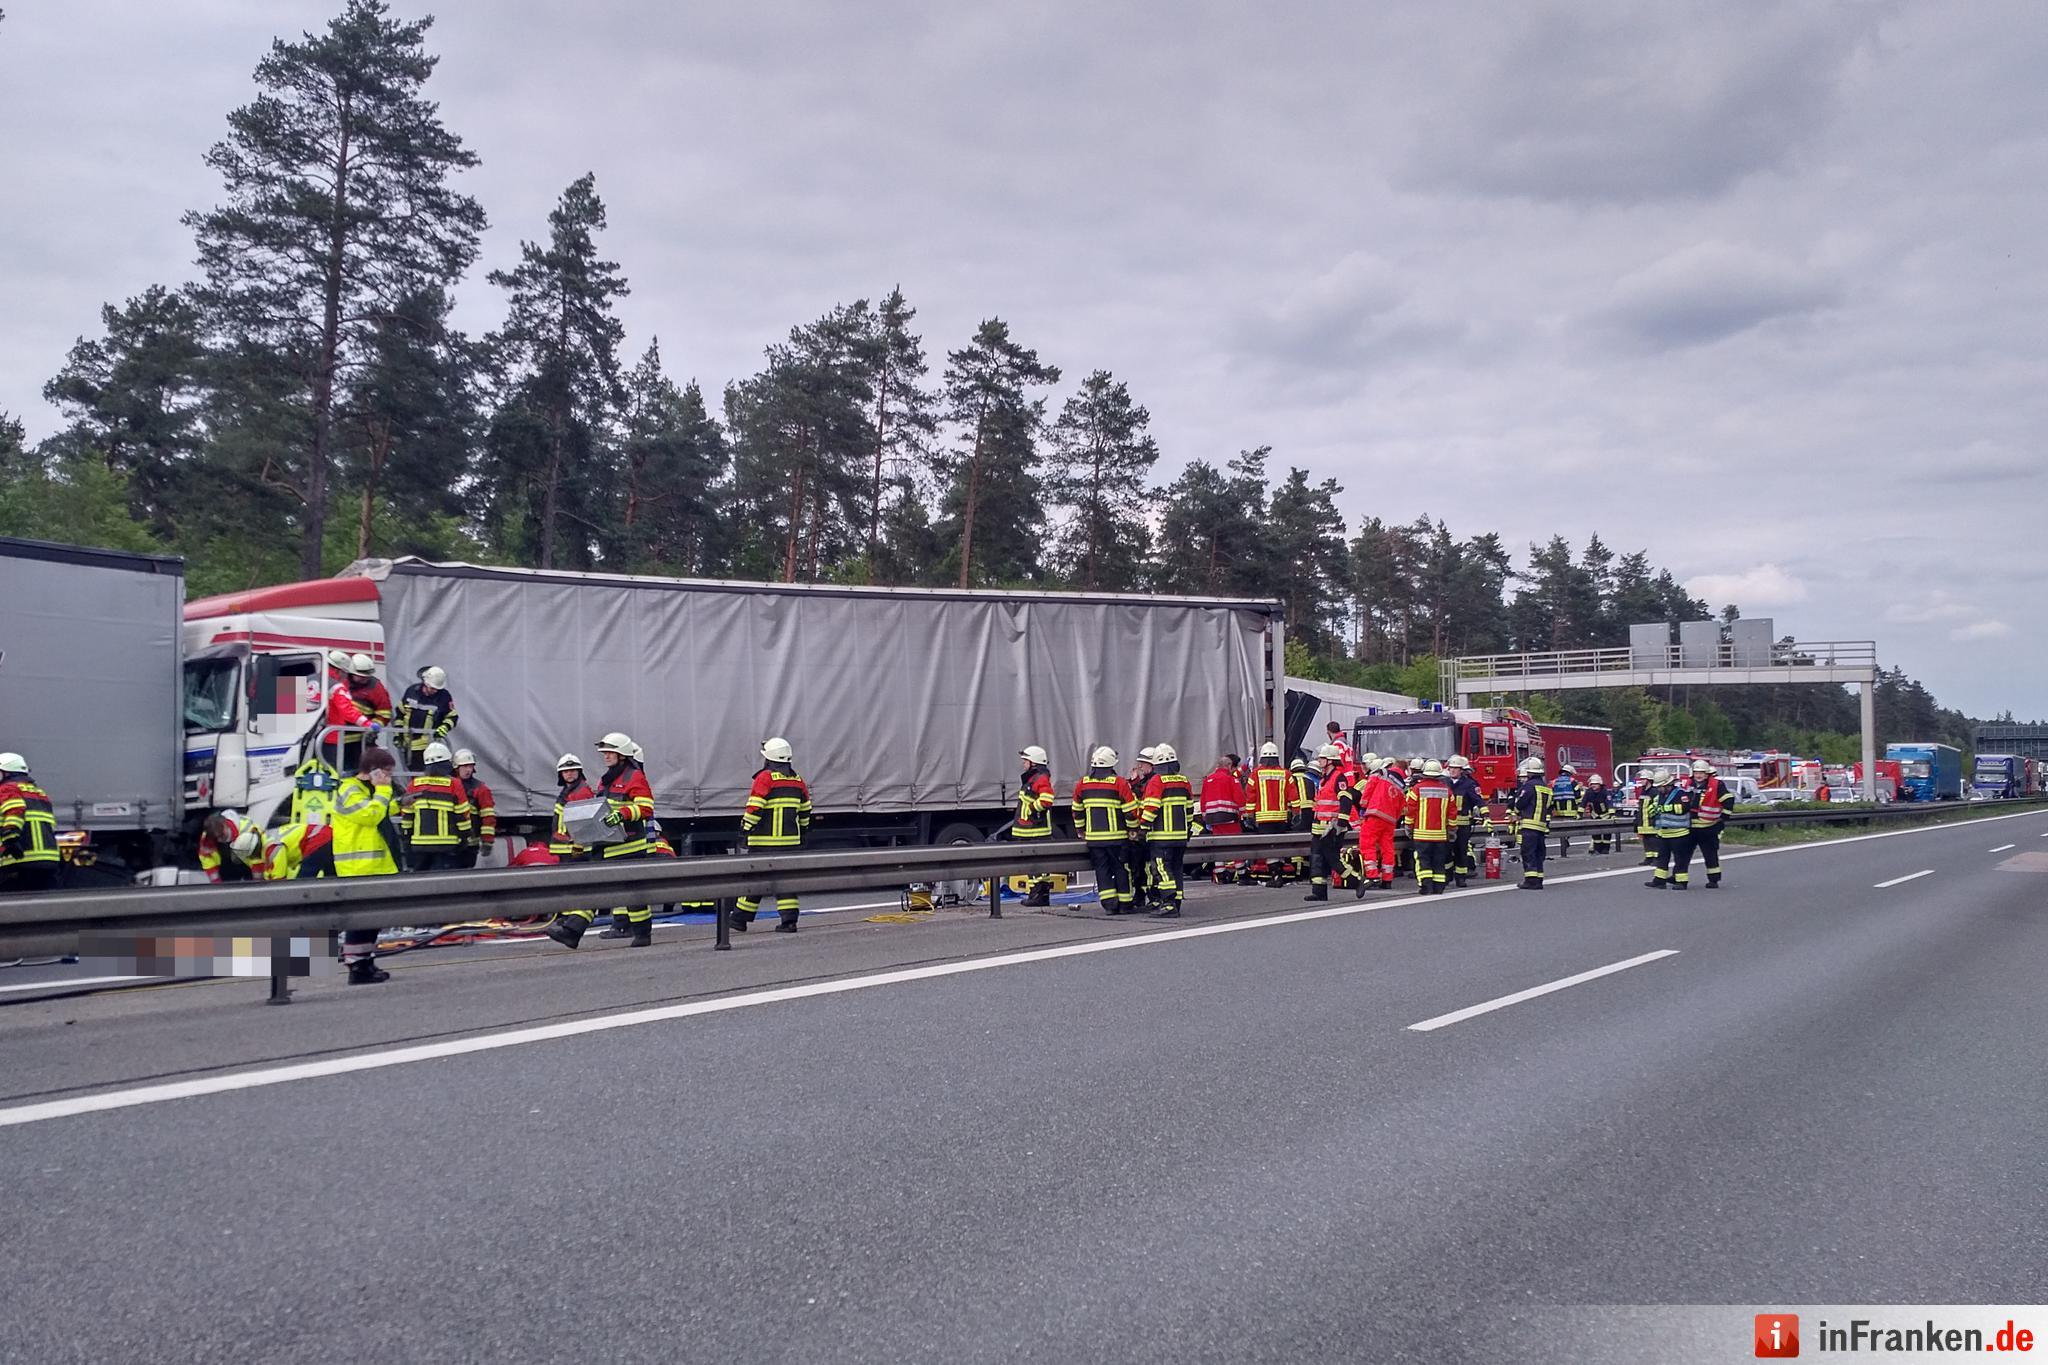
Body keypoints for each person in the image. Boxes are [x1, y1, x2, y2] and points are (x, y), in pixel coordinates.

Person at [547, 733, 656, 947]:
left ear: (622, 755)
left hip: (629, 847)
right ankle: (572, 931)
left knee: (633, 895)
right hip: (606, 846)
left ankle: (643, 934)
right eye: (604, 753)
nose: (605, 756)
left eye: (609, 752)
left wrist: (623, 814)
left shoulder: (634, 777)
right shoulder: (606, 779)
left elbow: (645, 807)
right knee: (597, 889)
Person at [331, 747, 404, 984]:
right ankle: (356, 966)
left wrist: (401, 803)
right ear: (374, 771)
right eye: (387, 773)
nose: (389, 778)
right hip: (357, 866)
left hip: (375, 865)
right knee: (361, 921)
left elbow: (380, 809)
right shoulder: (348, 789)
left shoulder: (365, 789)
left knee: (373, 920)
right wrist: (383, 791)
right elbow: (370, 815)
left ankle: (366, 960)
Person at [731, 736, 814, 934]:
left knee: (754, 880)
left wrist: (745, 828)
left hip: (764, 843)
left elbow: (755, 807)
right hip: (791, 844)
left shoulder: (765, 778)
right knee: (785, 883)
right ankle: (789, 921)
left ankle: (739, 919)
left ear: (768, 758)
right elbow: (806, 811)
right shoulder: (797, 780)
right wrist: (802, 833)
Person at [1074, 746, 1138, 914]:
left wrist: (1081, 830)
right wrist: (1133, 829)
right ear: (1111, 765)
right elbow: (1131, 810)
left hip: (1095, 840)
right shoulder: (1119, 783)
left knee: (1102, 871)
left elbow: (1077, 810)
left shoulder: (1083, 784)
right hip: (1117, 839)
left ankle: (1109, 905)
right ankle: (1125, 904)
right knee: (1121, 869)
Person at [1136, 742, 1194, 917]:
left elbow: (1151, 807)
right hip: (1181, 836)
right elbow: (1189, 809)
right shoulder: (1184, 781)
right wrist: (1188, 829)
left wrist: (1143, 829)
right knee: (1176, 868)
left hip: (1162, 836)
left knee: (1162, 868)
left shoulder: (1156, 781)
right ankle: (1176, 903)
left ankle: (1168, 904)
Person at [399, 740, 473, 872]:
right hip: (446, 846)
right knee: (444, 885)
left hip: (419, 845)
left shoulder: (414, 784)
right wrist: (465, 837)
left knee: (420, 884)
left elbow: (407, 815)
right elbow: (462, 814)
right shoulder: (454, 784)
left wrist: (406, 837)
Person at [0, 752, 61, 894]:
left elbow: (14, 810)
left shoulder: (7, 789)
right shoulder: (39, 792)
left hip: (19, 858)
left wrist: (11, 837)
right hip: (48, 859)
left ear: (5, 773)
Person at [1347, 755, 1405, 893]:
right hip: (1390, 820)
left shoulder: (1380, 774)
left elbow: (1369, 790)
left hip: (1375, 814)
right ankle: (1387, 879)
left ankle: (1372, 876)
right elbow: (1402, 807)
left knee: (1367, 844)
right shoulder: (1401, 784)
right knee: (1387, 847)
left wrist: (1364, 804)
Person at [1011, 744, 1058, 907]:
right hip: (1028, 830)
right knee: (1033, 866)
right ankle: (1037, 895)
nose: (1023, 764)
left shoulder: (1040, 778)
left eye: (1026, 761)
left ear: (1034, 762)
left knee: (1037, 866)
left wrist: (1031, 809)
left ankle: (1038, 895)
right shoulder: (1033, 778)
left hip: (1035, 831)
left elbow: (1047, 799)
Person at [1403, 759, 1459, 895]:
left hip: (1421, 834)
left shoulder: (1416, 789)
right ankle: (1439, 886)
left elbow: (1410, 810)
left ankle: (1426, 886)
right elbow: (1452, 812)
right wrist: (1451, 829)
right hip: (1440, 834)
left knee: (1423, 860)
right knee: (1439, 861)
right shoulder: (1447, 790)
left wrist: (1408, 826)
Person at [1302, 745, 1349, 902]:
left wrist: (1341, 821)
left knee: (1332, 859)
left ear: (1330, 761)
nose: (1319, 761)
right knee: (1316, 859)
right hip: (1319, 826)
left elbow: (1345, 800)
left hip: (1332, 827)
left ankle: (1356, 880)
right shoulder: (1324, 779)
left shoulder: (1338, 777)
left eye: (1322, 758)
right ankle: (1319, 891)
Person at [320, 649, 377, 771]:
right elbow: (348, 711)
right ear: (338, 670)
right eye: (345, 673)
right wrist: (368, 724)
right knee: (331, 773)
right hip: (330, 737)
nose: (345, 677)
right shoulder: (336, 687)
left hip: (306, 737)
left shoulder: (309, 680)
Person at [395, 666, 459, 771]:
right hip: (409, 745)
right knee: (413, 776)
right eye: (432, 688)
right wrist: (398, 735)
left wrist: (444, 728)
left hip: (430, 747)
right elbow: (400, 714)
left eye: (437, 689)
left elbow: (452, 716)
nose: (435, 691)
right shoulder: (411, 691)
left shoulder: (444, 696)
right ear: (425, 683)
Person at [1246, 741, 1292, 885]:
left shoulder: (1255, 774)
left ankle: (1275, 876)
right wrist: (1296, 812)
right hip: (1281, 818)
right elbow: (1293, 795)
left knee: (1269, 847)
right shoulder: (1286, 773)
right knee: (1278, 846)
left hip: (1263, 818)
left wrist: (1249, 814)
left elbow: (1251, 796)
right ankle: (1278, 875)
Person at [1648, 770, 1699, 889]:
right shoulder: (1659, 796)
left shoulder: (1681, 794)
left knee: (1680, 859)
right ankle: (1659, 880)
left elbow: (1684, 808)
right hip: (1663, 833)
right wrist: (1652, 810)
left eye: (1661, 786)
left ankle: (1681, 882)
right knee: (1662, 858)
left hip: (1679, 833)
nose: (1659, 789)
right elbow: (1653, 807)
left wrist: (1666, 808)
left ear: (1668, 784)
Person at [1688, 759, 1733, 888]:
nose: (1699, 775)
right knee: (1683, 854)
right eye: (1696, 772)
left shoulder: (1717, 785)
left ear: (1707, 773)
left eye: (1701, 773)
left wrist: (1724, 817)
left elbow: (1728, 800)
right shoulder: (1689, 784)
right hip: (1690, 826)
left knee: (1710, 855)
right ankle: (1678, 877)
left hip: (1709, 827)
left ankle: (1713, 879)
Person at [1512, 756, 1552, 891]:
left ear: (1529, 772)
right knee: (1538, 854)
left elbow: (1521, 803)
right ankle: (1539, 880)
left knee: (1528, 853)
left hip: (1529, 825)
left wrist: (1515, 811)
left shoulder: (1529, 786)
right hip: (1541, 826)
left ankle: (1530, 881)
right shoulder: (1546, 788)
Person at [1445, 754, 1485, 888]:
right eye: (1450, 768)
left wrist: (1486, 815)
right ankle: (1447, 875)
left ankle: (1460, 877)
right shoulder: (1444, 783)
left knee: (1461, 851)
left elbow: (1478, 801)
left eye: (1455, 769)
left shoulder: (1468, 784)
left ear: (1461, 770)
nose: (1452, 771)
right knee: (1446, 851)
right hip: (1446, 824)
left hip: (1463, 825)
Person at [451, 749, 496, 869]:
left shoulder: (481, 789)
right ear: (456, 767)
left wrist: (487, 841)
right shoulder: (448, 786)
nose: (468, 770)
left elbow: (488, 816)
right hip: (450, 842)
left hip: (470, 843)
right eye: (465, 766)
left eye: (470, 766)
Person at [1125, 748, 1157, 911]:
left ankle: (1152, 896)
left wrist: (1135, 784)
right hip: (1138, 830)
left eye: (1143, 763)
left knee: (1148, 867)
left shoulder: (1154, 781)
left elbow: (1146, 803)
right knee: (1136, 866)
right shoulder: (1144, 782)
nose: (1139, 767)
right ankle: (1140, 895)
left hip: (1147, 831)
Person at [198, 811, 259, 883]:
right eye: (216, 838)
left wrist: (257, 883)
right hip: (226, 868)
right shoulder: (207, 838)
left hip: (248, 864)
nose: (220, 839)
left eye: (221, 835)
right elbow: (206, 858)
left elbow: (257, 860)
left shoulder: (247, 831)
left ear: (225, 825)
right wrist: (216, 882)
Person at [344, 653, 393, 727]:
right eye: (362, 676)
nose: (365, 679)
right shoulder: (342, 681)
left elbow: (385, 712)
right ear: (352, 673)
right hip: (338, 732)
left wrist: (374, 726)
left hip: (361, 734)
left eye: (367, 676)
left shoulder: (375, 686)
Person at [1551, 764, 1580, 858]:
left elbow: (1551, 795)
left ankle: (1563, 842)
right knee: (1568, 828)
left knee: (1561, 829)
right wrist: (1579, 807)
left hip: (1558, 809)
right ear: (1570, 773)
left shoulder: (1554, 782)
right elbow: (1578, 795)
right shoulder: (1572, 781)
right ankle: (1566, 840)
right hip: (1570, 809)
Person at [1583, 774, 1613, 855]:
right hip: (1594, 815)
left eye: (1595, 784)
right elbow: (1583, 803)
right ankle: (1597, 849)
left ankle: (1606, 849)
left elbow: (1609, 803)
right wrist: (1579, 814)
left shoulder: (1605, 792)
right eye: (1592, 784)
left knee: (1607, 833)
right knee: (1596, 834)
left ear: (1600, 784)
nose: (1593, 786)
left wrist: (1612, 814)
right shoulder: (1589, 792)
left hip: (1605, 815)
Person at [1635, 775, 1660, 866]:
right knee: (1646, 840)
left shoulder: (1654, 791)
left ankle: (1657, 859)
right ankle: (1649, 858)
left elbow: (1656, 805)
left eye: (1643, 779)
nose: (1641, 781)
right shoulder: (1643, 791)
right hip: (1643, 821)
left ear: (1649, 780)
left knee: (1654, 841)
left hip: (1651, 820)